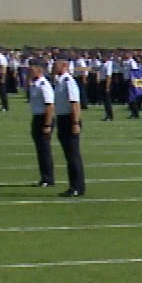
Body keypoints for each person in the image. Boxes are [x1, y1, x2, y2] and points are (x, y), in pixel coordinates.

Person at [52, 57, 83, 196]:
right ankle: (74, 185)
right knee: (68, 156)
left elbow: (75, 104)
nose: (54, 65)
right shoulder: (59, 81)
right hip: (62, 118)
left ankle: (77, 186)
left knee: (73, 155)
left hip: (69, 119)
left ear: (64, 65)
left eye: (56, 63)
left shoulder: (68, 81)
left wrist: (75, 123)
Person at [25, 58, 57, 189]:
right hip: (37, 117)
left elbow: (49, 106)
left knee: (44, 150)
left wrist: (47, 124)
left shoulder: (44, 84)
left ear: (39, 69)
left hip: (44, 118)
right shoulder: (35, 84)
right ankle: (44, 176)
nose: (29, 69)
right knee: (40, 149)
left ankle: (48, 178)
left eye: (32, 67)